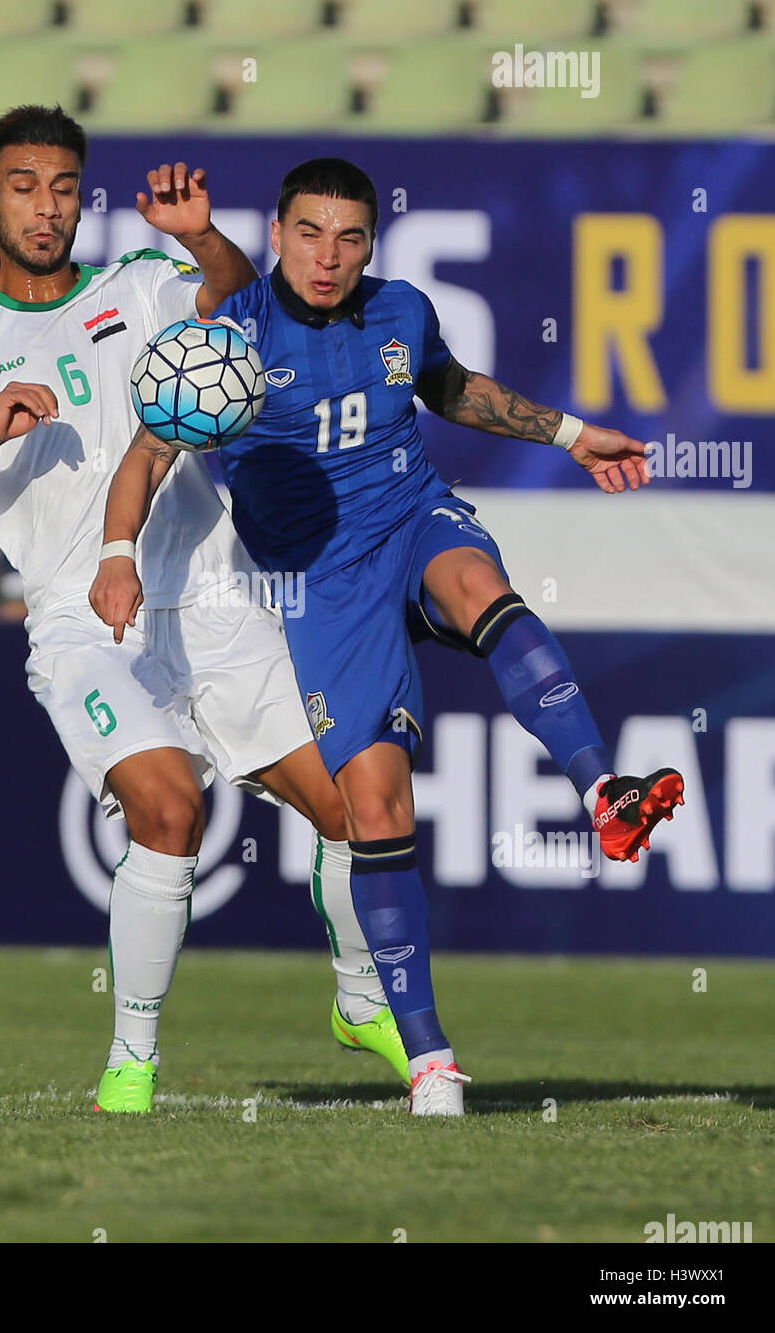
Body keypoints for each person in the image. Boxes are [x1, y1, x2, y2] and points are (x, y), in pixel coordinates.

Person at [92, 157, 685, 1118]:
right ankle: (430, 1060)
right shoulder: (225, 341)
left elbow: (451, 389)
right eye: (311, 234)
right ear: (278, 235)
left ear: (374, 242)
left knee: (481, 586)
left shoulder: (401, 309)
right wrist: (118, 552)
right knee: (376, 808)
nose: (330, 257)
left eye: (351, 237)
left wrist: (573, 434)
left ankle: (604, 790)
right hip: (323, 589)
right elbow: (149, 451)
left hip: (412, 518)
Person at [0, 111, 408, 1115]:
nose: (48, 206)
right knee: (170, 809)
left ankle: (353, 998)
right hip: (87, 627)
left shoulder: (136, 283)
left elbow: (237, 297)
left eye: (65, 186)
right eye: (26, 186)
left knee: (352, 811)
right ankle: (132, 1060)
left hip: (216, 598)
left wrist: (201, 235)